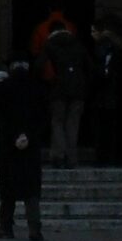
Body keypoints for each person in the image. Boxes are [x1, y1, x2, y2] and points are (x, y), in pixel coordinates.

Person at [0, 58, 47, 240]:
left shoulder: (1, 88)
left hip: (8, 144)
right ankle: (34, 227)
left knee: (8, 185)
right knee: (31, 187)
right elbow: (43, 116)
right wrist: (27, 136)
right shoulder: (38, 87)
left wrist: (14, 136)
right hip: (30, 145)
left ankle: (6, 226)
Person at [42, 17, 91, 166]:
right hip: (78, 91)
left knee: (57, 122)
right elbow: (89, 67)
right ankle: (72, 158)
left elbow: (39, 65)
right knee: (73, 124)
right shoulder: (78, 45)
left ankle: (59, 155)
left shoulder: (50, 44)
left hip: (58, 89)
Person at [90, 14, 122, 164]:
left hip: (107, 94)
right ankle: (120, 157)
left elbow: (101, 70)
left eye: (93, 31)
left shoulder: (104, 45)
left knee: (105, 127)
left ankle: (104, 158)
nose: (92, 35)